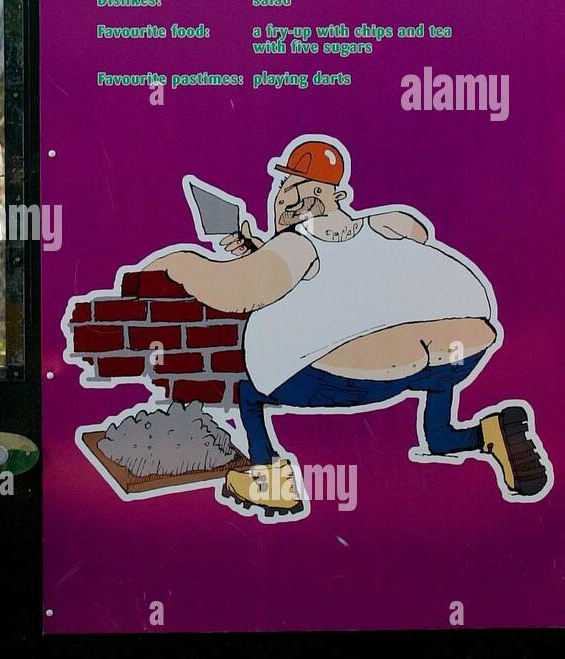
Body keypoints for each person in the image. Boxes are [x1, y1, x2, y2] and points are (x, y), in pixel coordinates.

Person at [146, 136, 550, 518]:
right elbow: (411, 232)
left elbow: (237, 292)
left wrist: (180, 263)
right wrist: (265, 249)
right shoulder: (385, 223)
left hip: (358, 376)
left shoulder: (296, 244)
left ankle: (268, 479)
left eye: (285, 186)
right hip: (463, 347)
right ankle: (477, 434)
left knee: (249, 393)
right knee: (432, 384)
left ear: (298, 196)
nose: (279, 195)